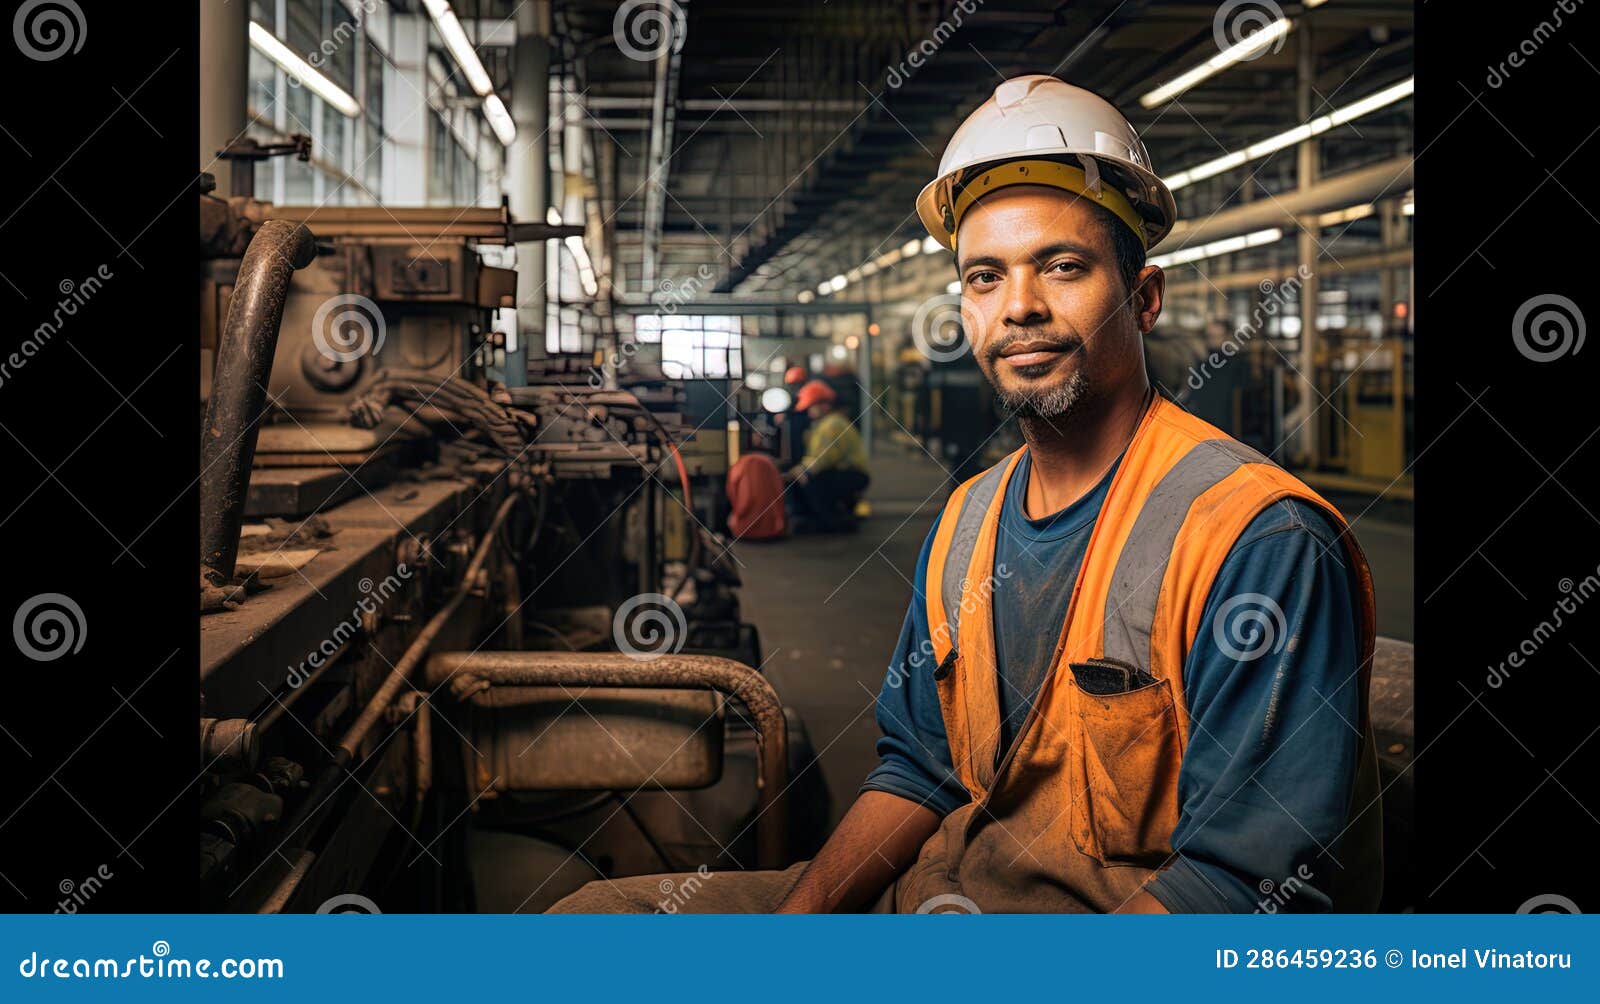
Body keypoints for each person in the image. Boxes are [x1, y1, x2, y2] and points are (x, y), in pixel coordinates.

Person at [550, 75, 1380, 914]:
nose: (1019, 307)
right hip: (942, 896)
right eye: (985, 277)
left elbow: (1239, 884)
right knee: (593, 921)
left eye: (1063, 267)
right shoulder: (969, 520)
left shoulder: (1254, 539)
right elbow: (919, 765)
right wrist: (798, 924)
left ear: (1144, 296)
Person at [783, 380, 869, 534]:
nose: (808, 412)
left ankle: (830, 522)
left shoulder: (832, 425)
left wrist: (801, 471)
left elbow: (823, 458)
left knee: (812, 481)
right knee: (807, 477)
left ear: (823, 405)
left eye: (810, 407)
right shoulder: (826, 423)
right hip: (849, 473)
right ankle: (828, 517)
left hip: (851, 474)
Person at [725, 443, 787, 540]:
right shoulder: (770, 464)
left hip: (743, 530)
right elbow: (780, 491)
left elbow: (732, 490)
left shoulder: (741, 464)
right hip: (773, 530)